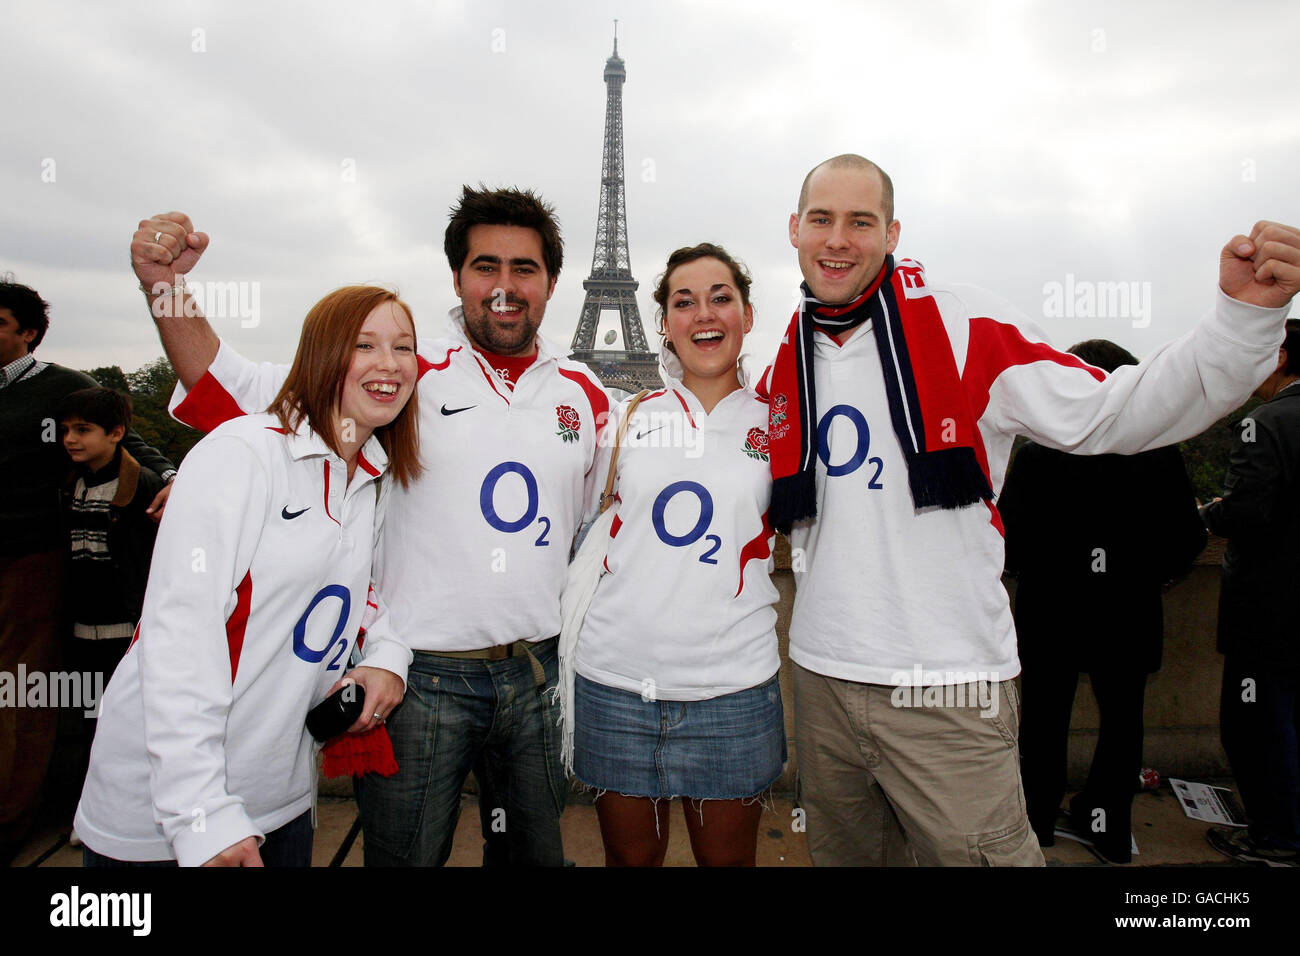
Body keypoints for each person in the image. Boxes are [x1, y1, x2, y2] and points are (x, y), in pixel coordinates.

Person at [763, 153, 1300, 866]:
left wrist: (1238, 326)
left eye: (860, 222)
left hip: (948, 684)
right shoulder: (785, 362)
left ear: (892, 234)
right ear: (794, 229)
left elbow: (1116, 411)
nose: (838, 239)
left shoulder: (965, 326)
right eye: (822, 220)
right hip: (822, 677)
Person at [130, 187, 608, 866]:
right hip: (417, 680)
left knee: (533, 857)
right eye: (486, 267)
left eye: (524, 269)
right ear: (457, 278)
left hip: (536, 674)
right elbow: (226, 387)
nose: (505, 287)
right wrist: (165, 287)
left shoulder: (585, 394)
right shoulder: (405, 372)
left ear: (553, 282)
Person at [74, 282, 419, 866]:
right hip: (174, 811)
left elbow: (359, 594)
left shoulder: (369, 473)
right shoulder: (240, 455)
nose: (389, 364)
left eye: (404, 347)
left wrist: (387, 657)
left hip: (279, 793)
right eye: (364, 345)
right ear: (318, 355)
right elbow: (180, 635)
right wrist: (199, 811)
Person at [572, 243, 783, 866]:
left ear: (747, 314)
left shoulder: (781, 426)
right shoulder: (626, 419)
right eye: (683, 302)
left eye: (721, 298)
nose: (703, 314)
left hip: (734, 690)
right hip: (614, 683)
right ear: (662, 324)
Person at [999, 340, 1207, 864]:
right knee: (1122, 721)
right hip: (1127, 610)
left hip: (1052, 610)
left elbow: (1007, 542)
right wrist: (1151, 575)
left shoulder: (1040, 453)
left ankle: (1039, 820)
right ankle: (1110, 829)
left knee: (1043, 719)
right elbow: (1187, 537)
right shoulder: (1157, 452)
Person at [0, 281, 175, 866]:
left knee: (25, 689)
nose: (72, 438)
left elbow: (131, 440)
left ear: (27, 333)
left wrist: (172, 478)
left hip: (33, 561)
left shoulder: (59, 388)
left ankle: (16, 820)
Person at [1200, 318, 1300, 866]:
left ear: (1281, 356)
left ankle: (1277, 838)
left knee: (1258, 725)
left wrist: (1207, 512)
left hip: (1270, 610)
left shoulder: (1268, 422)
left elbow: (1244, 511)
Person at [57, 387, 165, 793]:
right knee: (88, 719)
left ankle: (137, 803)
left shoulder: (144, 488)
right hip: (83, 628)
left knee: (131, 723)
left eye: (83, 430)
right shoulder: (70, 483)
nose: (70, 439)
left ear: (116, 433)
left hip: (128, 629)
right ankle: (90, 805)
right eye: (66, 430)